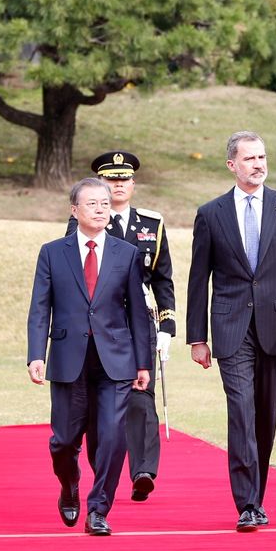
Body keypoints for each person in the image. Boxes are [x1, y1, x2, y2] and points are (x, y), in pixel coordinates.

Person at [187, 131, 276, 532]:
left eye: (262, 157)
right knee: (241, 413)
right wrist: (197, 337)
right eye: (249, 159)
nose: (258, 164)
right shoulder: (211, 213)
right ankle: (246, 504)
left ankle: (256, 496)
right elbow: (198, 279)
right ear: (232, 165)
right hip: (231, 329)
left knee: (265, 416)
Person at [27, 178, 152, 536]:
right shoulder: (53, 252)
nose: (100, 209)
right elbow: (40, 308)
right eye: (92, 203)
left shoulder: (127, 253)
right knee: (64, 440)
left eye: (104, 203)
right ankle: (69, 484)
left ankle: (98, 509)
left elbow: (137, 312)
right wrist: (36, 354)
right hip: (69, 358)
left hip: (116, 359)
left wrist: (142, 362)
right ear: (74, 210)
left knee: (112, 437)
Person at [65, 150, 175, 502]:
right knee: (101, 402)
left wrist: (167, 327)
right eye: (111, 180)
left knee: (141, 394)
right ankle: (105, 472)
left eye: (124, 179)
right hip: (102, 323)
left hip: (139, 320)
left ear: (133, 183)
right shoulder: (84, 222)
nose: (118, 185)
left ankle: (143, 471)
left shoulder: (151, 224)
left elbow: (162, 278)